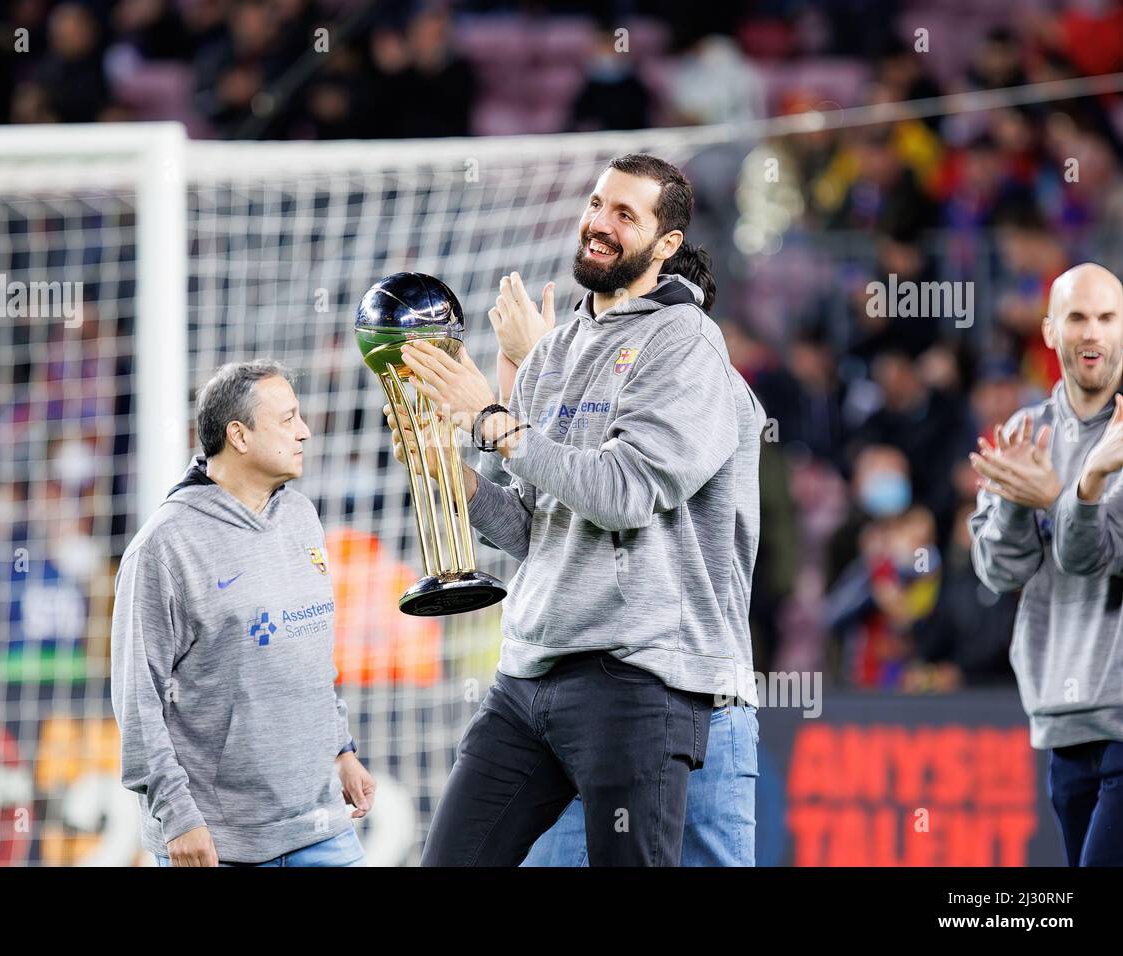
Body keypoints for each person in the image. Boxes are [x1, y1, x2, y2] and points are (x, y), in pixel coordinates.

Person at [391, 154, 764, 866]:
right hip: (528, 675)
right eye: (597, 204)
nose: (599, 223)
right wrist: (448, 471)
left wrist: (492, 420)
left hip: (638, 679)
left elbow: (624, 494)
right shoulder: (553, 353)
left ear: (667, 246)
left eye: (626, 214)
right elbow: (531, 528)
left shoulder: (687, 346)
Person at [483, 249, 759, 866]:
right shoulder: (566, 373)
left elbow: (619, 495)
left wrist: (533, 373)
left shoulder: (707, 382)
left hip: (697, 692)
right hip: (582, 694)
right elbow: (526, 534)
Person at [111, 359, 375, 867]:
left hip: (321, 826)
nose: (305, 432)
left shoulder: (302, 516)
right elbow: (136, 697)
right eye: (288, 418)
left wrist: (341, 750)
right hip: (217, 842)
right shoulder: (165, 547)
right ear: (239, 435)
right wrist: (178, 816)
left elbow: (310, 655)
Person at [970, 262, 1123, 867]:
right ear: (1050, 332)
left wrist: (1075, 488)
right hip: (1062, 721)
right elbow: (997, 571)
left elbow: (1096, 557)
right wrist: (1016, 504)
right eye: (1078, 317)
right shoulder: (1022, 431)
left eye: (1108, 318)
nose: (1093, 333)